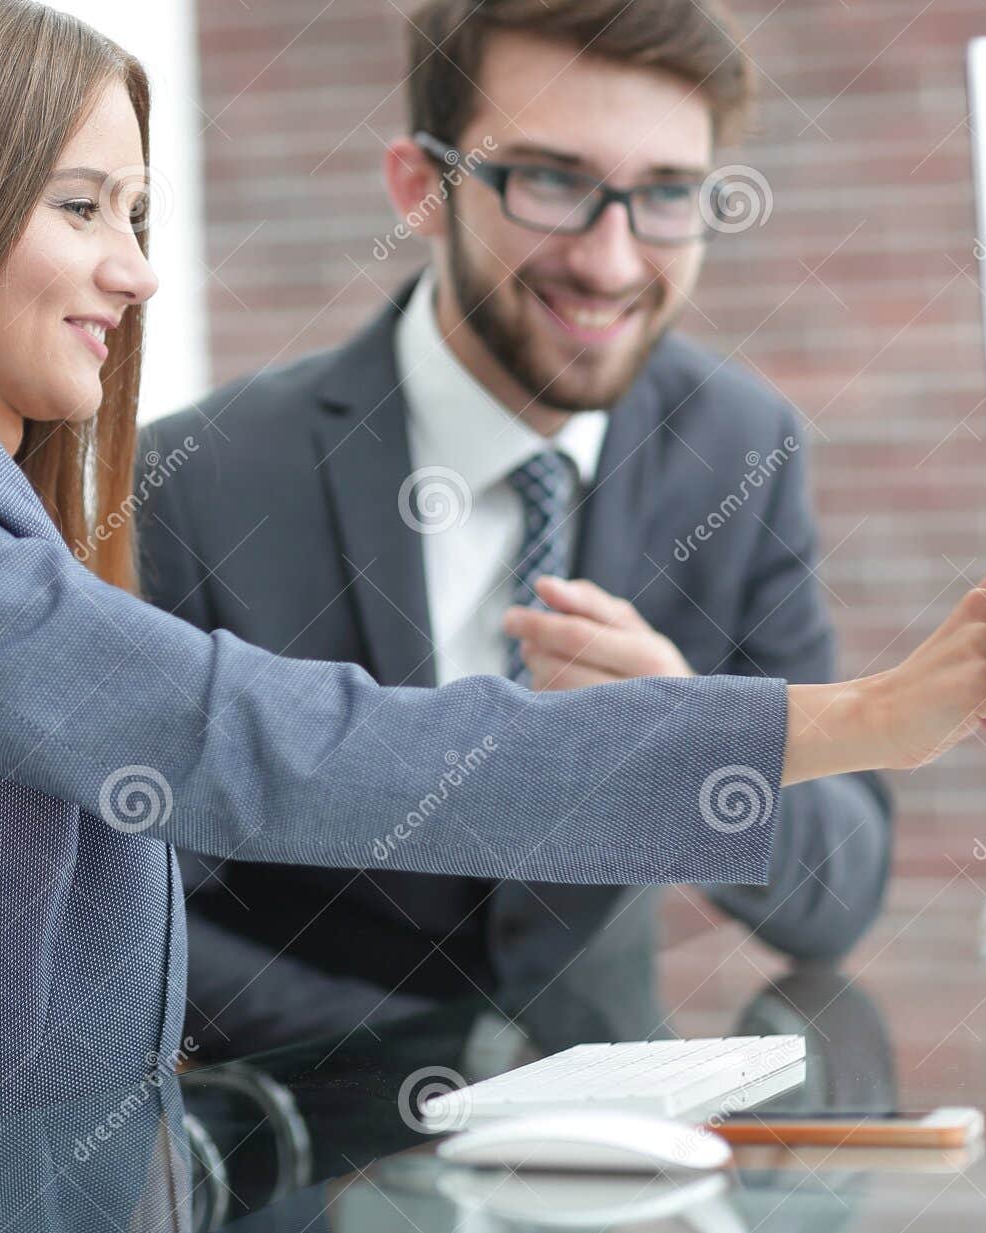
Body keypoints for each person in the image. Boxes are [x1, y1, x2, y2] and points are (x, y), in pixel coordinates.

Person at [0, 0, 986, 1210]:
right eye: (83, 207)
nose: (137, 269)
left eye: (138, 210)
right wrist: (867, 717)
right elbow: (265, 745)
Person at [139, 0, 896, 1054]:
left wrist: (693, 739)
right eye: (550, 181)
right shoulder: (200, 477)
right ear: (420, 187)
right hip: (307, 1127)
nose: (611, 263)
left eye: (666, 194)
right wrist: (436, 1069)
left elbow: (841, 890)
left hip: (613, 1135)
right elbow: (130, 913)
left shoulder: (737, 447)